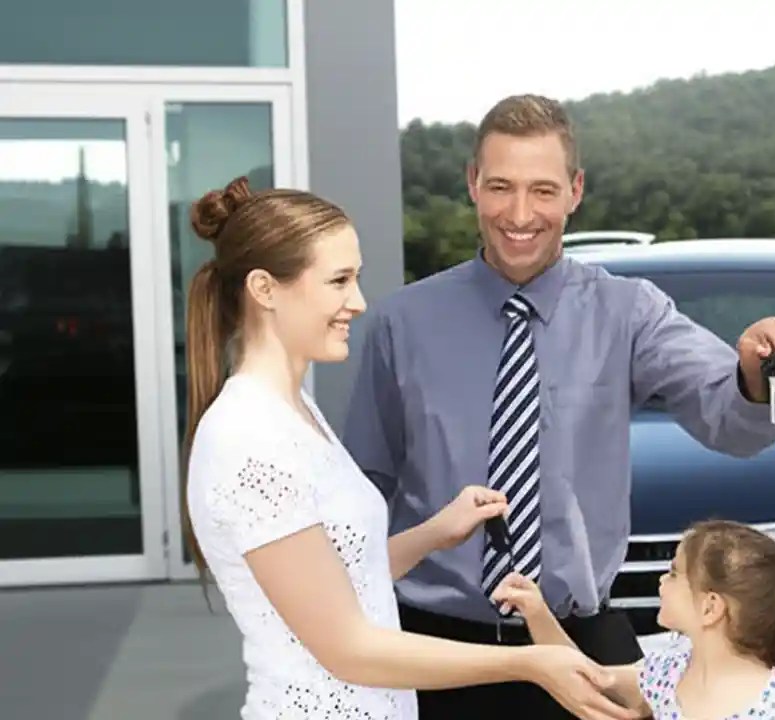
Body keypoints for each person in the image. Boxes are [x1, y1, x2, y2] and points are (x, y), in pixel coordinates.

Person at [341, 93, 775, 719]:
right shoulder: (401, 325)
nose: (519, 213)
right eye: (501, 187)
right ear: (473, 185)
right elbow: (361, 496)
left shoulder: (630, 313)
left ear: (575, 191)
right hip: (432, 647)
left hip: (580, 645)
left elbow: (733, 420)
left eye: (542, 190)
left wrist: (756, 376)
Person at [181, 176, 640, 720]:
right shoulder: (249, 439)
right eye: (338, 281)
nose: (357, 302)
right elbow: (348, 648)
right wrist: (530, 664)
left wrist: (435, 533)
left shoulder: (297, 414)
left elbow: (341, 577)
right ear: (264, 289)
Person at [492, 520, 775, 719]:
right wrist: (536, 612)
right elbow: (589, 678)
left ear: (711, 608)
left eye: (674, 573)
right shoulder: (667, 672)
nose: (662, 582)